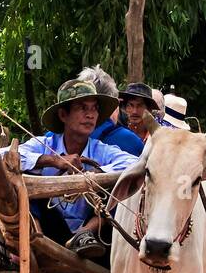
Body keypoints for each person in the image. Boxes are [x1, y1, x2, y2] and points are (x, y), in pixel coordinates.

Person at [11, 78, 136, 257]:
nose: (90, 115)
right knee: (20, 183)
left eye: (94, 108)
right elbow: (4, 155)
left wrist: (95, 174)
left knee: (122, 189)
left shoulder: (101, 150)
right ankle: (35, 239)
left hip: (93, 234)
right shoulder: (44, 144)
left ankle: (83, 234)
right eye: (82, 108)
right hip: (49, 228)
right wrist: (54, 161)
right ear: (63, 115)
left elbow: (135, 163)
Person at [79, 66, 146, 156]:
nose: (134, 111)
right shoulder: (130, 140)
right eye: (129, 105)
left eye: (140, 106)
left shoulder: (64, 136)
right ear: (112, 105)